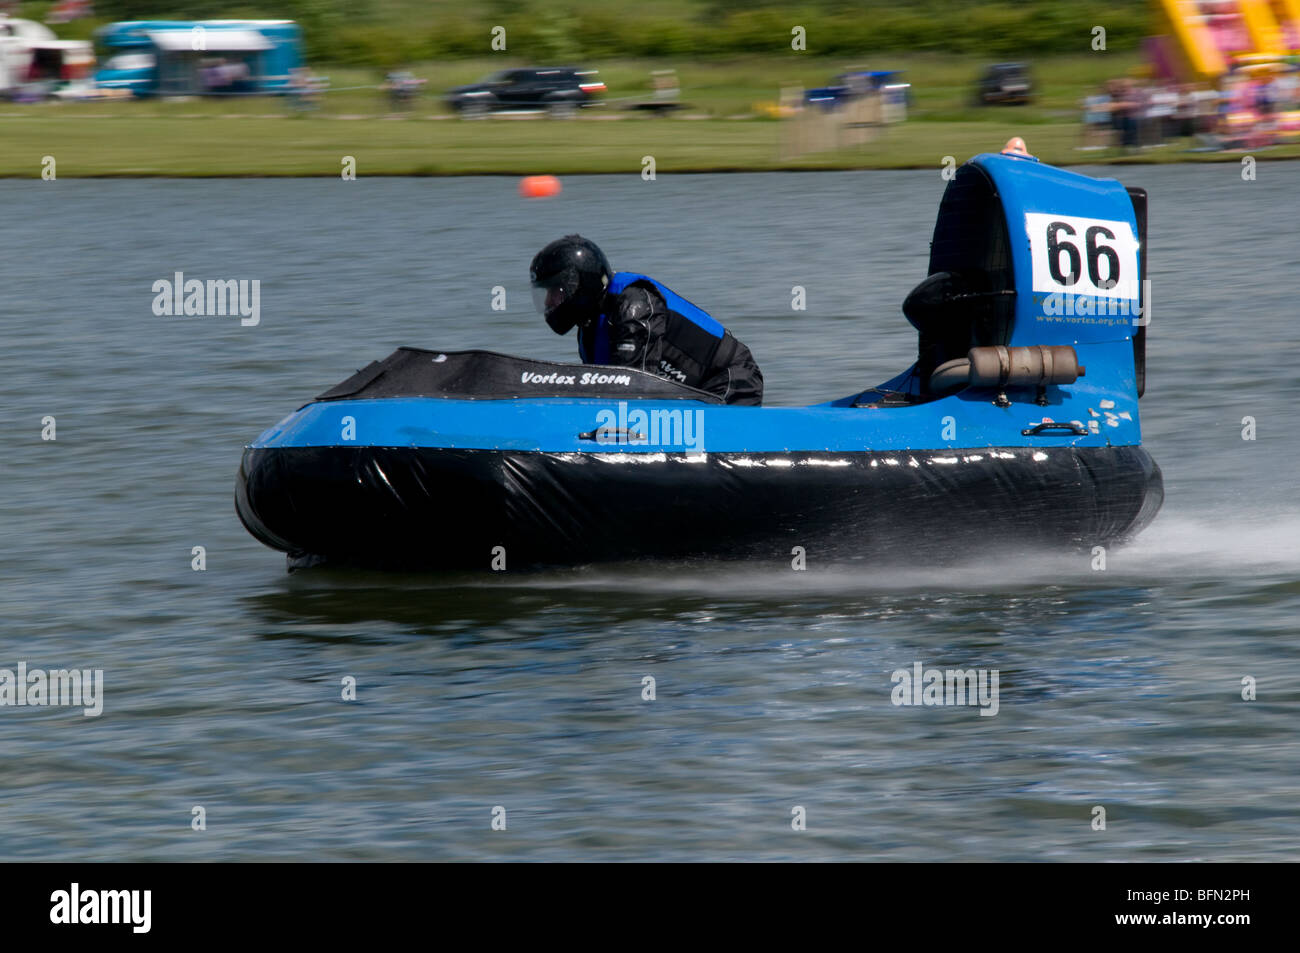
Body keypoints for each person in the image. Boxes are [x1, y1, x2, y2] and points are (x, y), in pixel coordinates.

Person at [529, 234, 764, 405]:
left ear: (577, 286)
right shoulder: (590, 329)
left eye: (554, 292)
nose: (550, 302)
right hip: (692, 396)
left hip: (730, 380)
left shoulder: (634, 306)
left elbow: (634, 388)